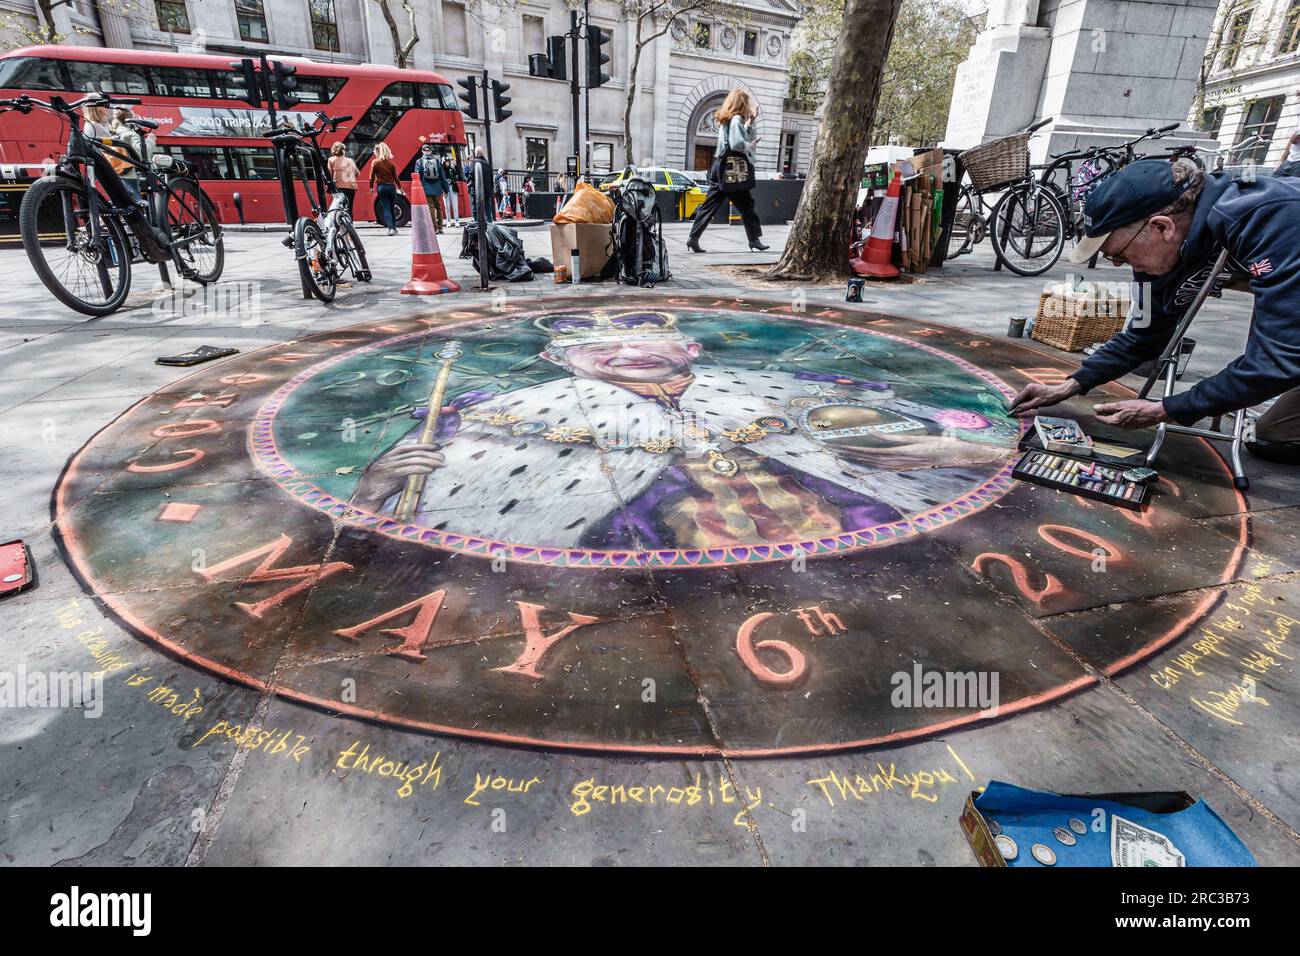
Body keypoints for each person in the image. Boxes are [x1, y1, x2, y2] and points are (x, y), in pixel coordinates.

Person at [351, 309, 1015, 545]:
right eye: (598, 347)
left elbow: (938, 447)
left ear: (690, 347)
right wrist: (373, 488)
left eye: (645, 340)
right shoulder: (494, 420)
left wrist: (965, 452)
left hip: (860, 546)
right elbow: (383, 532)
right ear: (560, 361)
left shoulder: (786, 393)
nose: (626, 352)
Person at [1010, 158, 1300, 463]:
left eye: (1120, 256)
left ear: (1162, 227)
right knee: (1272, 437)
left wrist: (1167, 409)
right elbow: (1144, 334)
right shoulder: (1164, 250)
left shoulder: (1272, 218)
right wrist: (1070, 384)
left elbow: (1277, 359)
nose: (1121, 266)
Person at [687, 88, 768, 254]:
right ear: (742, 103)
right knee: (747, 205)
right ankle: (754, 240)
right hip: (732, 170)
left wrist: (750, 122)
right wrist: (750, 146)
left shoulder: (728, 119)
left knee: (710, 206)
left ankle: (693, 238)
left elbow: (736, 136)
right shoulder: (736, 119)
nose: (749, 105)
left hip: (720, 166)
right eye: (747, 102)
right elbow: (737, 143)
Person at [415, 142, 449, 232]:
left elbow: (417, 176)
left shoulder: (419, 161)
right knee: (438, 207)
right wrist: (446, 190)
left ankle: (434, 228)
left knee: (431, 207)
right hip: (437, 189)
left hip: (426, 189)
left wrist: (418, 189)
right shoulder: (437, 161)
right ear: (430, 151)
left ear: (422, 151)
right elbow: (443, 177)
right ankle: (440, 227)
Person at [369, 141, 401, 235]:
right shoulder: (391, 163)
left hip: (381, 187)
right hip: (391, 187)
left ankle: (391, 229)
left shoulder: (375, 162)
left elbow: (372, 176)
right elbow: (396, 178)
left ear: (378, 152)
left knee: (386, 208)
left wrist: (371, 186)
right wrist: (400, 187)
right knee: (392, 208)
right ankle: (394, 228)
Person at [327, 142, 359, 211]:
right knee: (349, 209)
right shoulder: (350, 160)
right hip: (350, 188)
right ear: (343, 150)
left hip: (338, 188)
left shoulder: (331, 160)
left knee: (338, 208)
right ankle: (349, 218)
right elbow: (357, 174)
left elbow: (329, 174)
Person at [442, 148, 463, 225]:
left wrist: (456, 165)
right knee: (447, 206)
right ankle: (448, 221)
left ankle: (456, 220)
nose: (448, 162)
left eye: (448, 161)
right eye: (446, 161)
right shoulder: (442, 171)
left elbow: (459, 175)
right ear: (444, 162)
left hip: (453, 188)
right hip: (445, 189)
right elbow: (440, 181)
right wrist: (443, 190)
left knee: (455, 205)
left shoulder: (451, 169)